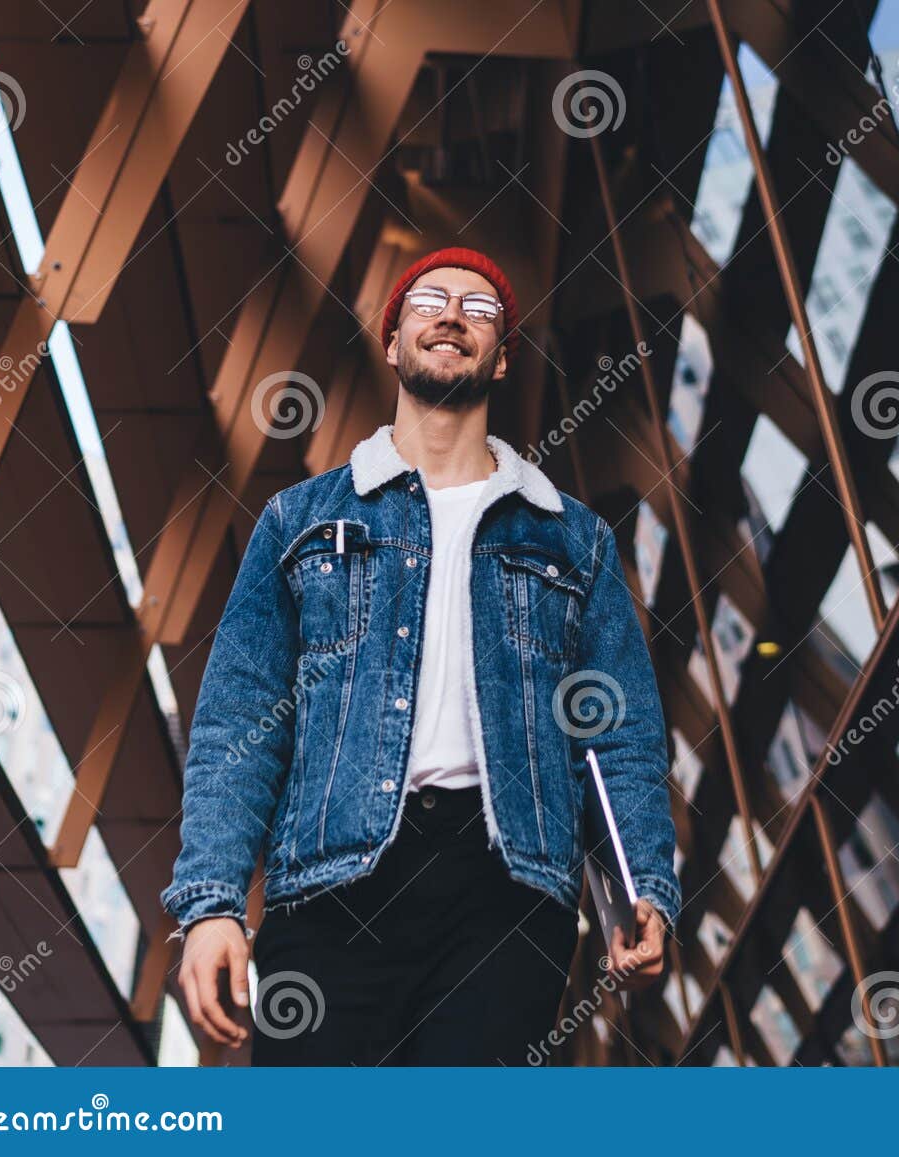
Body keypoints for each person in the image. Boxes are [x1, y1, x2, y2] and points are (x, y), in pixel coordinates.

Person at [161, 247, 679, 1065]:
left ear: (502, 356)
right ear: (394, 339)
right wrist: (211, 904)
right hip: (331, 881)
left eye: (479, 310)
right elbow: (238, 722)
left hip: (506, 889)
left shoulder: (572, 539)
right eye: (431, 300)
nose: (452, 316)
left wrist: (639, 884)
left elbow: (617, 735)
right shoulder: (299, 519)